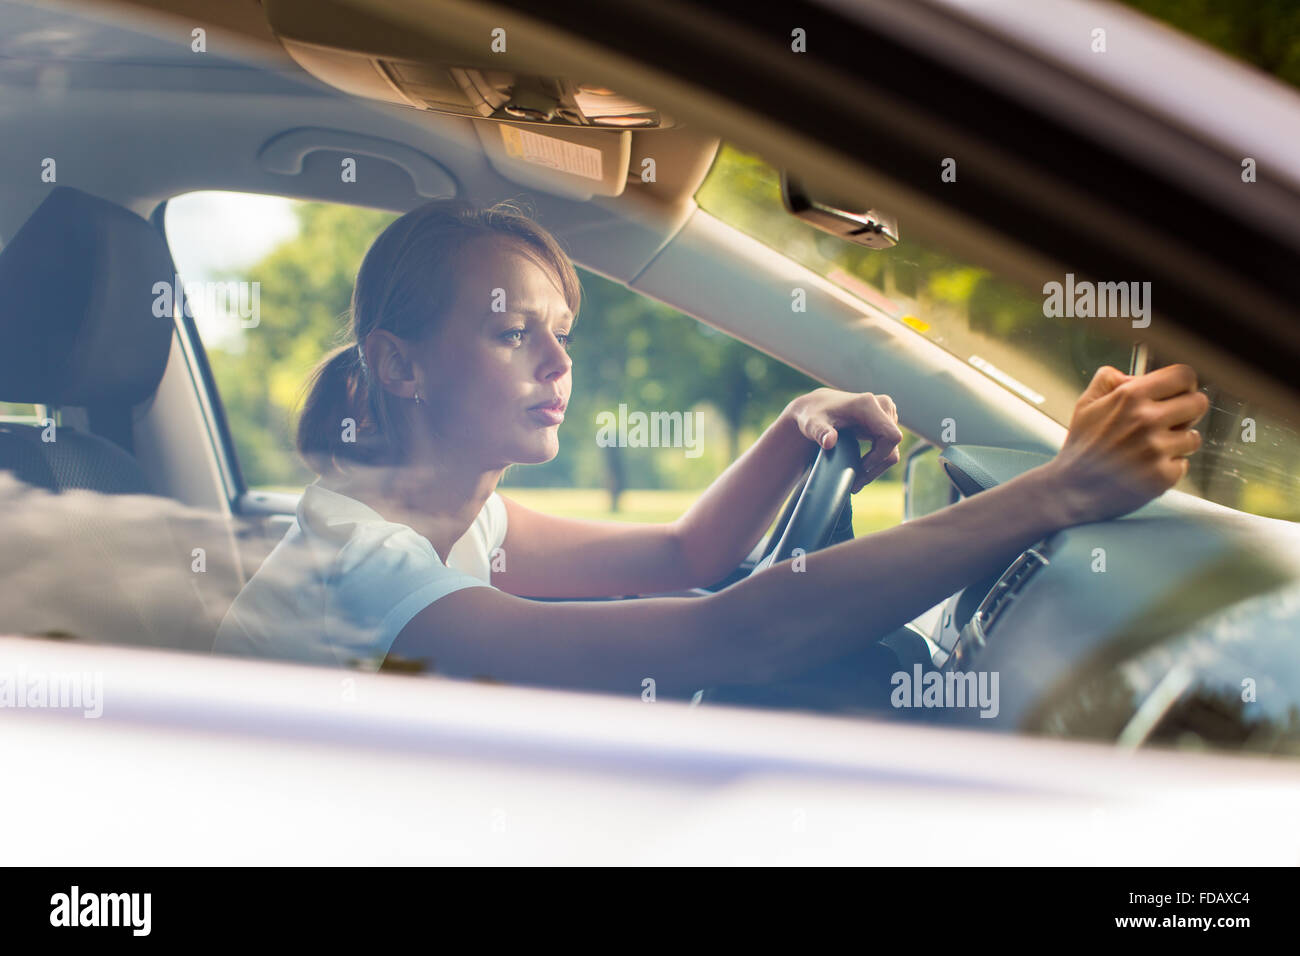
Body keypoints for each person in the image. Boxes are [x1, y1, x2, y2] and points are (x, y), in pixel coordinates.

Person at [214, 199, 1208, 696]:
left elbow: (681, 558)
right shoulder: (365, 570)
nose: (559, 362)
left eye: (563, 329)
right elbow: (728, 634)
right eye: (513, 330)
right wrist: (1057, 491)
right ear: (402, 368)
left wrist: (790, 430)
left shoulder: (457, 518)